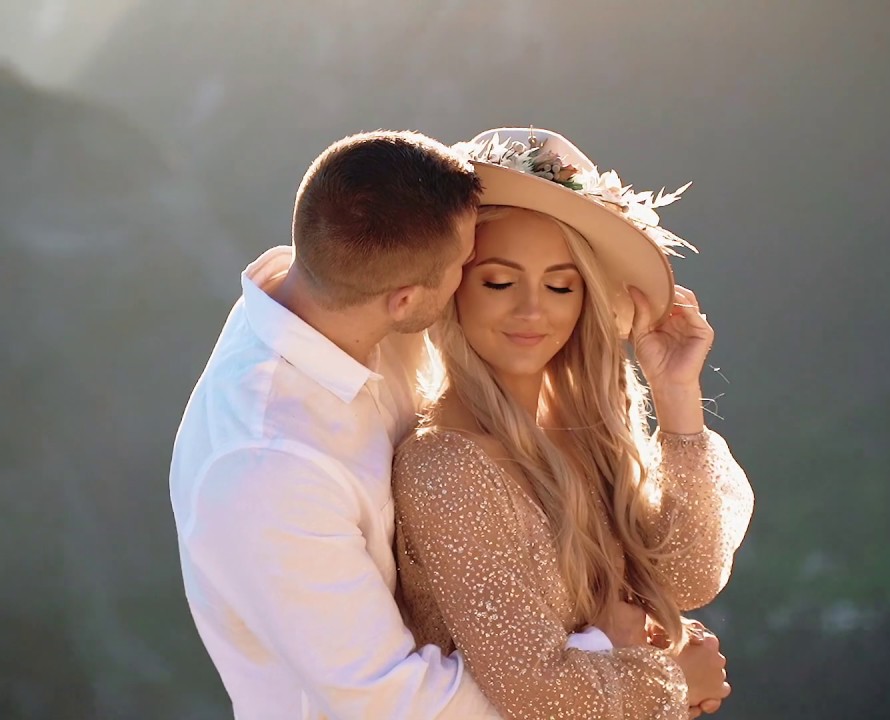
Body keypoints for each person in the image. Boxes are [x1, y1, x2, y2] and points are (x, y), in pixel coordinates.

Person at [169, 130, 636, 719]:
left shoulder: (332, 280)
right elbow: (392, 702)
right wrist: (614, 659)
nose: (471, 274)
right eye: (468, 266)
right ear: (406, 300)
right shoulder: (270, 469)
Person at [393, 128, 756, 720]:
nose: (533, 310)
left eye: (561, 285)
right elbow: (534, 691)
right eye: (500, 281)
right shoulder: (448, 465)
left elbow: (689, 576)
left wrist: (676, 393)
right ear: (454, 288)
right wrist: (670, 680)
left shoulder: (579, 430)